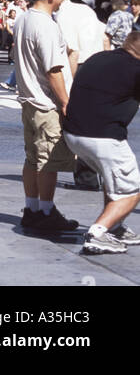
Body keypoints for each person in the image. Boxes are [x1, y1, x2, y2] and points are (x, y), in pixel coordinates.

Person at [13, 0, 80, 235]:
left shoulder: (23, 19)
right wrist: (65, 103)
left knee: (32, 159)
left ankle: (31, 209)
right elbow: (54, 70)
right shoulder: (46, 25)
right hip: (46, 103)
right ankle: (47, 211)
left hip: (29, 101)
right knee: (48, 161)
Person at [63, 27, 140, 254]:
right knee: (131, 191)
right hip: (103, 138)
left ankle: (114, 227)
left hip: (73, 135)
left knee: (111, 178)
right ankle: (98, 232)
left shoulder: (98, 58)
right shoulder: (136, 69)